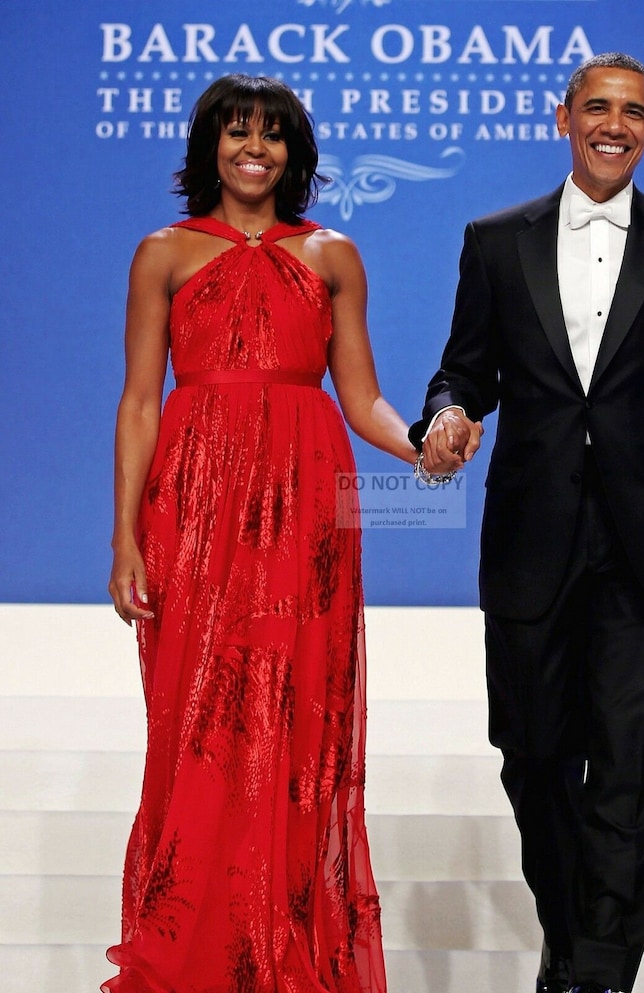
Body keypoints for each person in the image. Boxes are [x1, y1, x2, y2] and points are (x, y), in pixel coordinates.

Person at [410, 52, 644, 993]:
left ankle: (598, 972)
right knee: (532, 757)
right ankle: (570, 941)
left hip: (643, 545)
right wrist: (448, 413)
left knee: (627, 769)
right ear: (562, 118)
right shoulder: (496, 239)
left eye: (633, 112)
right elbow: (463, 368)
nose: (614, 124)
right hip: (531, 539)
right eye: (597, 107)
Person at [106, 73, 416, 993]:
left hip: (306, 501)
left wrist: (423, 446)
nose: (254, 149)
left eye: (272, 135)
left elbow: (362, 398)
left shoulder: (332, 255)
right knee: (198, 716)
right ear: (209, 145)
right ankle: (197, 950)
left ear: (294, 153)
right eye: (237, 131)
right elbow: (139, 402)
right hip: (193, 503)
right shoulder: (163, 253)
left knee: (295, 716)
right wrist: (124, 537)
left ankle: (282, 947)